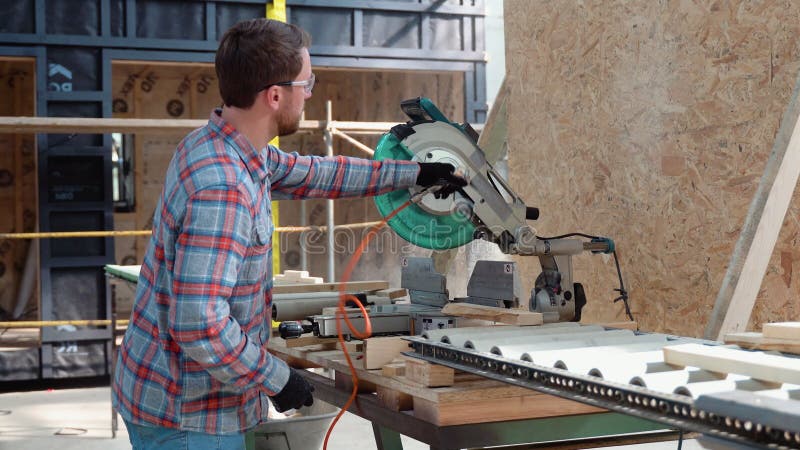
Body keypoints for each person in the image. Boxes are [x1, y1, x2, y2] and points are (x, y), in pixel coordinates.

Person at [112, 18, 466, 450]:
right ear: (275, 95)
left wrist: (414, 173)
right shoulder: (223, 186)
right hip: (190, 416)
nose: (311, 92)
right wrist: (276, 379)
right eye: (307, 82)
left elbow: (317, 173)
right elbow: (199, 324)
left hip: (172, 394)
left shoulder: (227, 148)